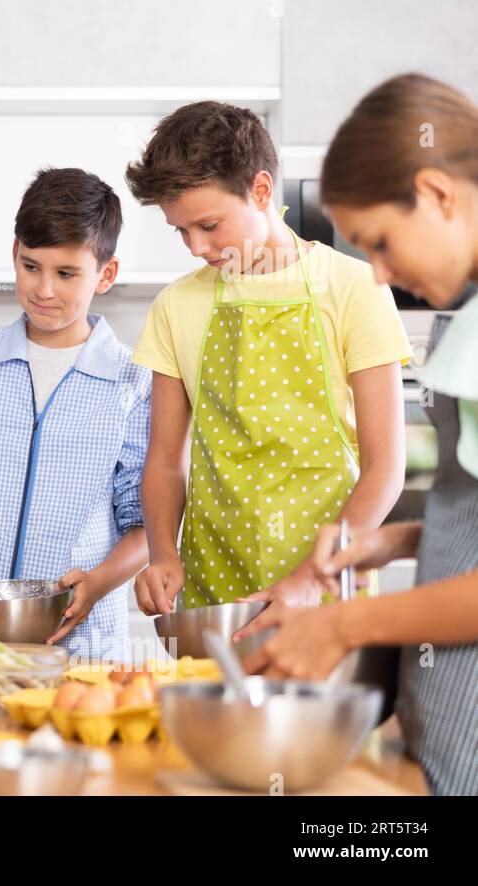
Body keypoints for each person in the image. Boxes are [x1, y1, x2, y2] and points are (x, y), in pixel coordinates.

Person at [240, 73, 478, 795]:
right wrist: (395, 540)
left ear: (438, 193)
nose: (378, 271)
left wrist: (344, 628)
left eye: (379, 240)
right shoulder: (463, 313)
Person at [125, 101, 412, 617]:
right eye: (181, 231)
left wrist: (307, 579)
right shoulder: (176, 304)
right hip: (213, 586)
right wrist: (163, 553)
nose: (195, 247)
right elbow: (166, 460)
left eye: (209, 225)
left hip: (325, 589)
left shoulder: (354, 288)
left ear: (260, 191)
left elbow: (385, 466)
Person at [0, 168, 150, 659]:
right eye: (30, 266)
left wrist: (99, 582)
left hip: (81, 644)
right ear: (14, 254)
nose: (43, 289)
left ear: (106, 274)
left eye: (66, 273)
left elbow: (148, 525)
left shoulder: (136, 382)